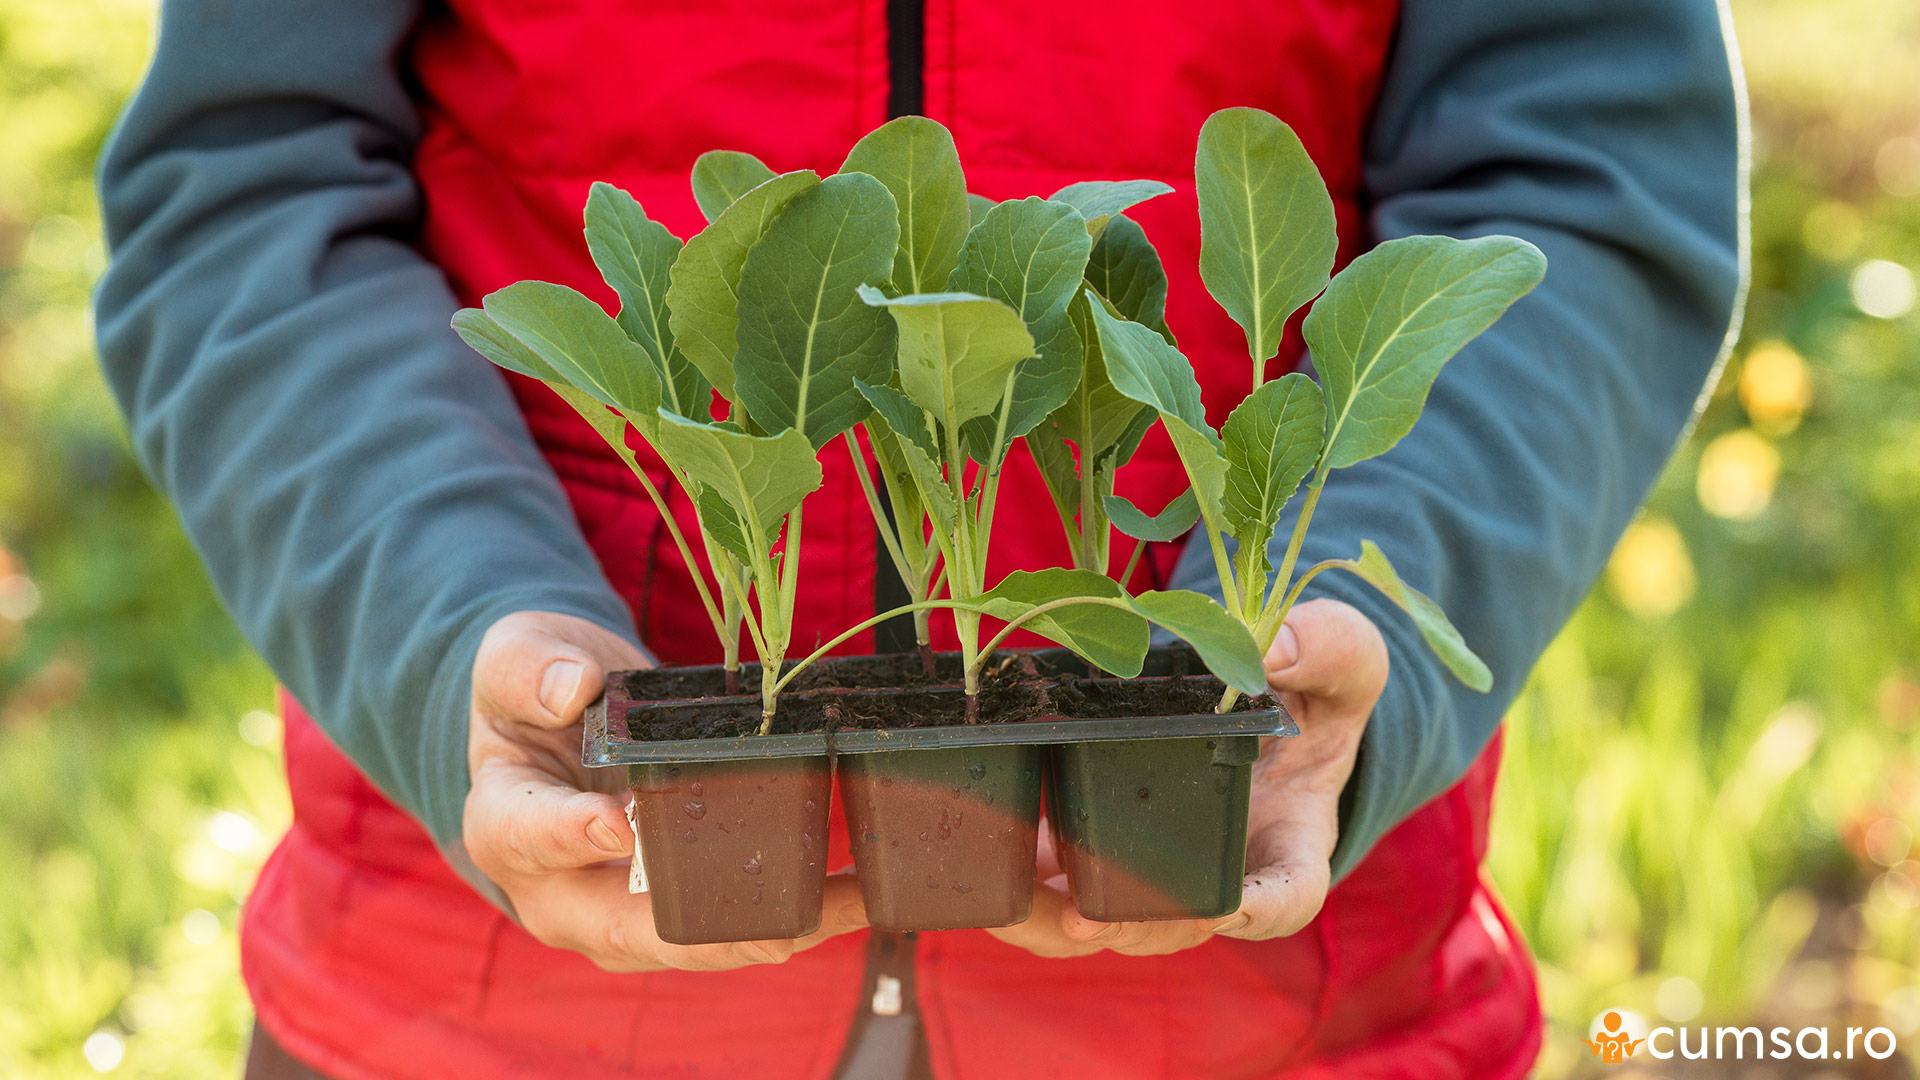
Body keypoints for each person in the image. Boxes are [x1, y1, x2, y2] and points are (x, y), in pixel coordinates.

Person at [94, 0, 1743, 1076]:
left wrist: (1345, 604)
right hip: (488, 1002)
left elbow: (1582, 181)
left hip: (1275, 1013)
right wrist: (445, 628)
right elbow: (251, 188)